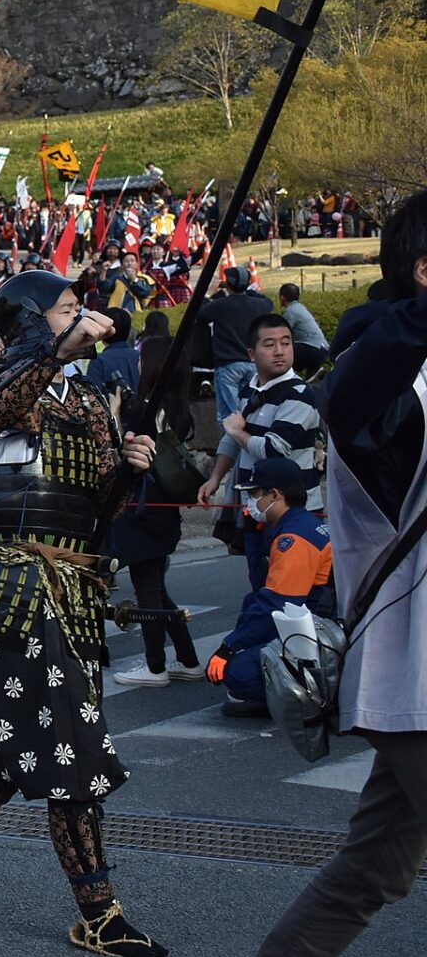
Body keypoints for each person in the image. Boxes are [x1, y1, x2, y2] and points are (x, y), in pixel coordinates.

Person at [0, 272, 168, 957]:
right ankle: (99, 912)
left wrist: (128, 468)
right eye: (66, 309)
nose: (82, 317)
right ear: (30, 320)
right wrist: (53, 354)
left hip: (77, 588)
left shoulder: (85, 396)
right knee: (69, 750)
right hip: (19, 587)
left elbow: (97, 503)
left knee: (11, 746)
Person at [220, 188, 427, 957]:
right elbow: (358, 394)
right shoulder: (383, 380)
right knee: (369, 872)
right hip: (415, 669)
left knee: (371, 870)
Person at [197, 313, 322, 590]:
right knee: (261, 584)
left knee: (292, 591)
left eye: (286, 343)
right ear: (252, 354)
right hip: (255, 509)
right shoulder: (249, 389)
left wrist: (238, 432)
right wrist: (215, 478)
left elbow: (273, 449)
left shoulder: (300, 394)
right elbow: (231, 438)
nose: (280, 351)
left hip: (294, 513)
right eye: (269, 344)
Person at [204, 459, 334, 718]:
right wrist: (252, 533)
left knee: (238, 673)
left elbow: (277, 604)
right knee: (251, 607)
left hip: (316, 633)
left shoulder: (294, 539)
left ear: (275, 495)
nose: (250, 502)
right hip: (315, 626)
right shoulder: (298, 524)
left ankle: (307, 694)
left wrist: (228, 648)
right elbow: (262, 586)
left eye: (255, 494)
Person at [108, 336, 202, 689]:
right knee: (157, 589)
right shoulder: (179, 409)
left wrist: (115, 413)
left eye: (142, 358)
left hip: (141, 511)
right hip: (164, 509)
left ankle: (155, 665)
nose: (138, 363)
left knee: (148, 590)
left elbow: (122, 454)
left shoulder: (143, 410)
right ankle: (188, 660)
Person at [201, 267, 274, 422]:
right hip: (253, 364)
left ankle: (231, 439)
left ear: (227, 284)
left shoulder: (221, 305)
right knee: (251, 413)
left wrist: (209, 293)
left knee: (229, 415)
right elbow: (269, 302)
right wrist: (249, 291)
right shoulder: (259, 305)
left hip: (227, 364)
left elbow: (200, 313)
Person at [85, 309, 140, 411]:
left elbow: (93, 400)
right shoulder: (140, 357)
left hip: (112, 417)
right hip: (143, 416)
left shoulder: (99, 362)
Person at [278, 283, 329, 377]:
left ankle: (287, 377)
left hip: (313, 350)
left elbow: (281, 334)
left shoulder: (290, 311)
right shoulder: (300, 307)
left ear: (282, 297)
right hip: (321, 349)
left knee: (281, 350)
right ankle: (314, 372)